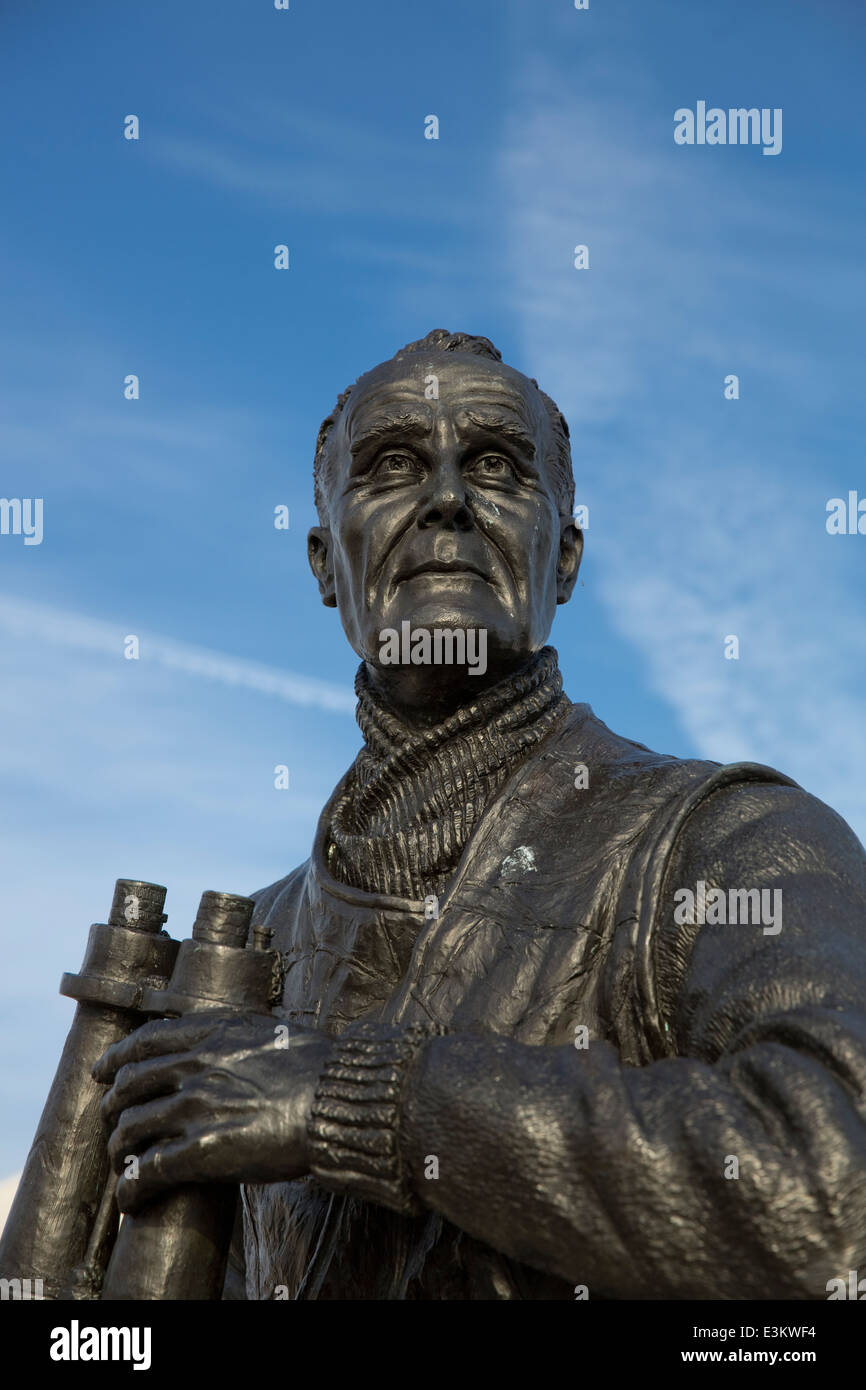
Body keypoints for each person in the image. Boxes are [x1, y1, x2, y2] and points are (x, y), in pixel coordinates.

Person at [96, 330, 866, 1300]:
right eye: (391, 466)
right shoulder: (246, 946)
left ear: (566, 556)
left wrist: (367, 1105)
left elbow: (832, 1198)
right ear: (326, 562)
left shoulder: (728, 842)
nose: (446, 498)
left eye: (495, 465)